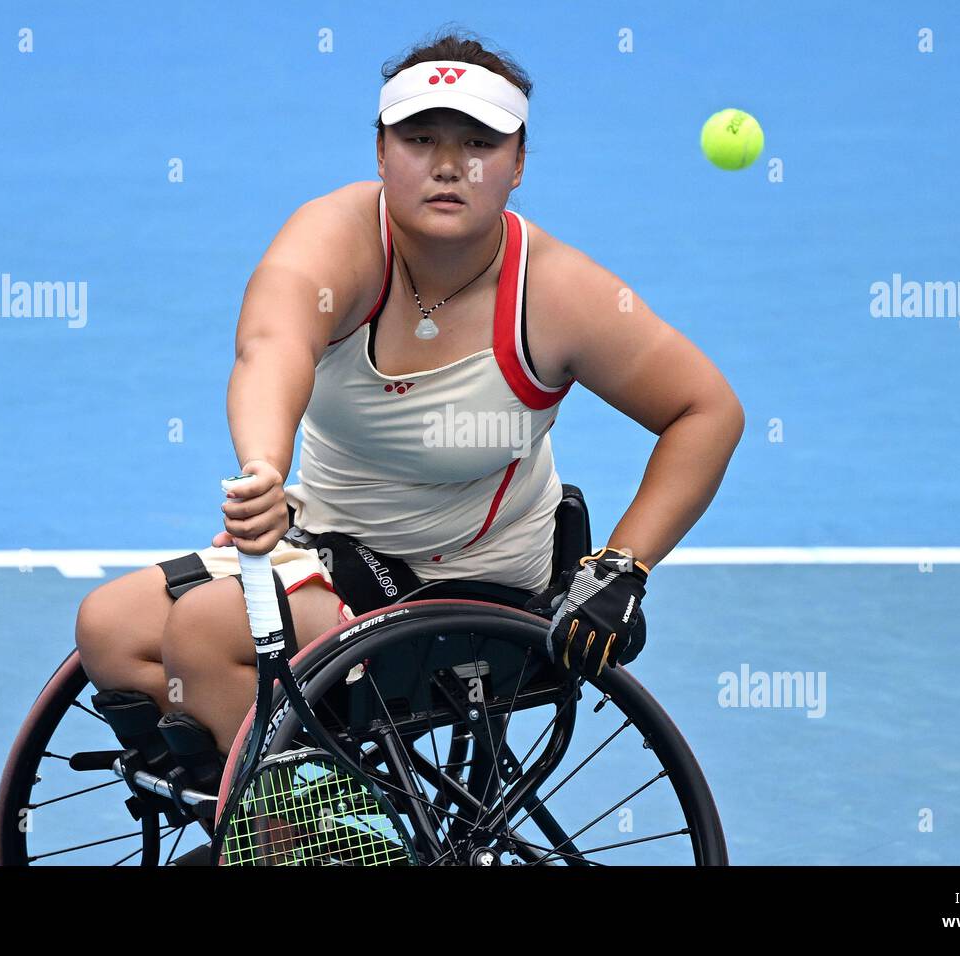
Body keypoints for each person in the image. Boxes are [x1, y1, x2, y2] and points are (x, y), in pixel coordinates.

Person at [73, 30, 744, 786]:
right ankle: (299, 814)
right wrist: (263, 466)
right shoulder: (337, 240)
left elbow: (706, 409)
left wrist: (622, 567)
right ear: (382, 154)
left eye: (480, 142)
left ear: (519, 163)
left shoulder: (558, 296)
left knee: (204, 634)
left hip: (459, 581)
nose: (450, 165)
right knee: (110, 628)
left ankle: (293, 831)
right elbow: (272, 346)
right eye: (420, 139)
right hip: (323, 541)